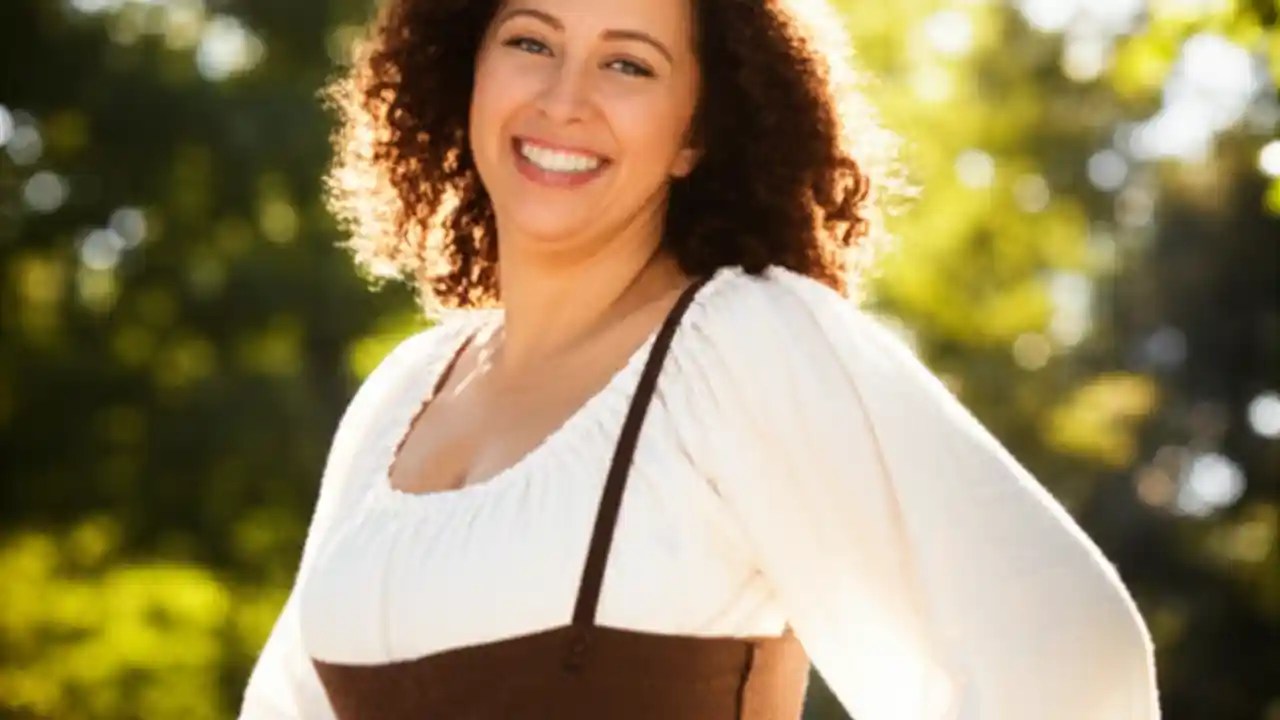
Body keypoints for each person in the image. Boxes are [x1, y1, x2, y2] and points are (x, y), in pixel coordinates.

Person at [239, 0, 1161, 716]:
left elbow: (1071, 653)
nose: (564, 99)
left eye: (629, 63)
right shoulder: (402, 395)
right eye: (530, 42)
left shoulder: (740, 345)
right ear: (465, 69)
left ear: (695, 134)